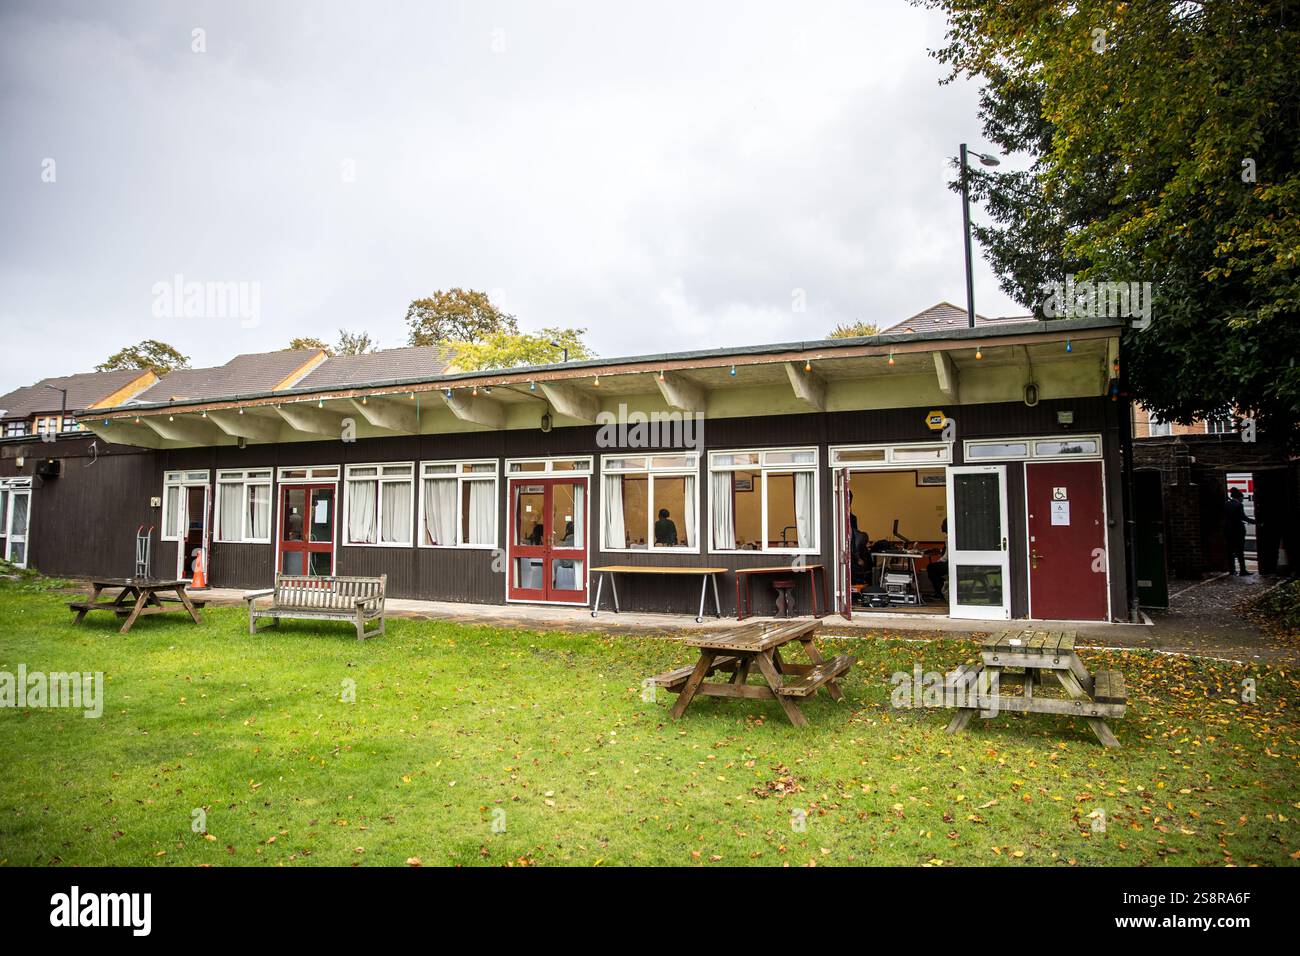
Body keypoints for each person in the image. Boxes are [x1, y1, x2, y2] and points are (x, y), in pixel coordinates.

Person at [1224, 487, 1255, 575]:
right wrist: (1254, 522)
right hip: (1238, 530)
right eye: (1241, 498)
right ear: (1239, 497)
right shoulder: (1239, 505)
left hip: (1228, 530)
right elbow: (1243, 517)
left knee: (1230, 551)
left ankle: (1232, 570)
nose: (1242, 499)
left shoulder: (1226, 504)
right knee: (1240, 551)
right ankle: (1243, 570)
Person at [926, 517, 949, 598]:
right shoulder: (950, 536)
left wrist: (939, 560)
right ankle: (941, 590)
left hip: (949, 564)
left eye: (943, 524)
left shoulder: (949, 537)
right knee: (933, 567)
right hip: (949, 562)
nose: (941, 526)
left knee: (931, 568)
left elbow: (947, 556)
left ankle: (940, 592)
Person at [849, 513, 871, 584]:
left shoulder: (857, 538)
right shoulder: (860, 537)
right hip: (857, 563)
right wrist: (858, 559)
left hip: (856, 560)